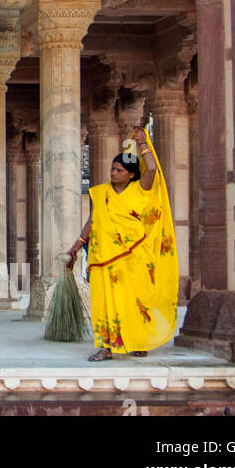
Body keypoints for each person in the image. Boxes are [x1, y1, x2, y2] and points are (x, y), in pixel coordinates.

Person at [67, 127, 179, 362]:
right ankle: (107, 346)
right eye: (113, 169)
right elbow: (92, 222)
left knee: (137, 300)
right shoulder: (101, 193)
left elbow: (152, 168)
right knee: (105, 301)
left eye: (119, 170)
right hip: (103, 256)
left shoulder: (141, 190)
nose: (114, 173)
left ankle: (138, 340)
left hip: (135, 255)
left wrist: (142, 143)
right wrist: (76, 248)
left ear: (130, 174)